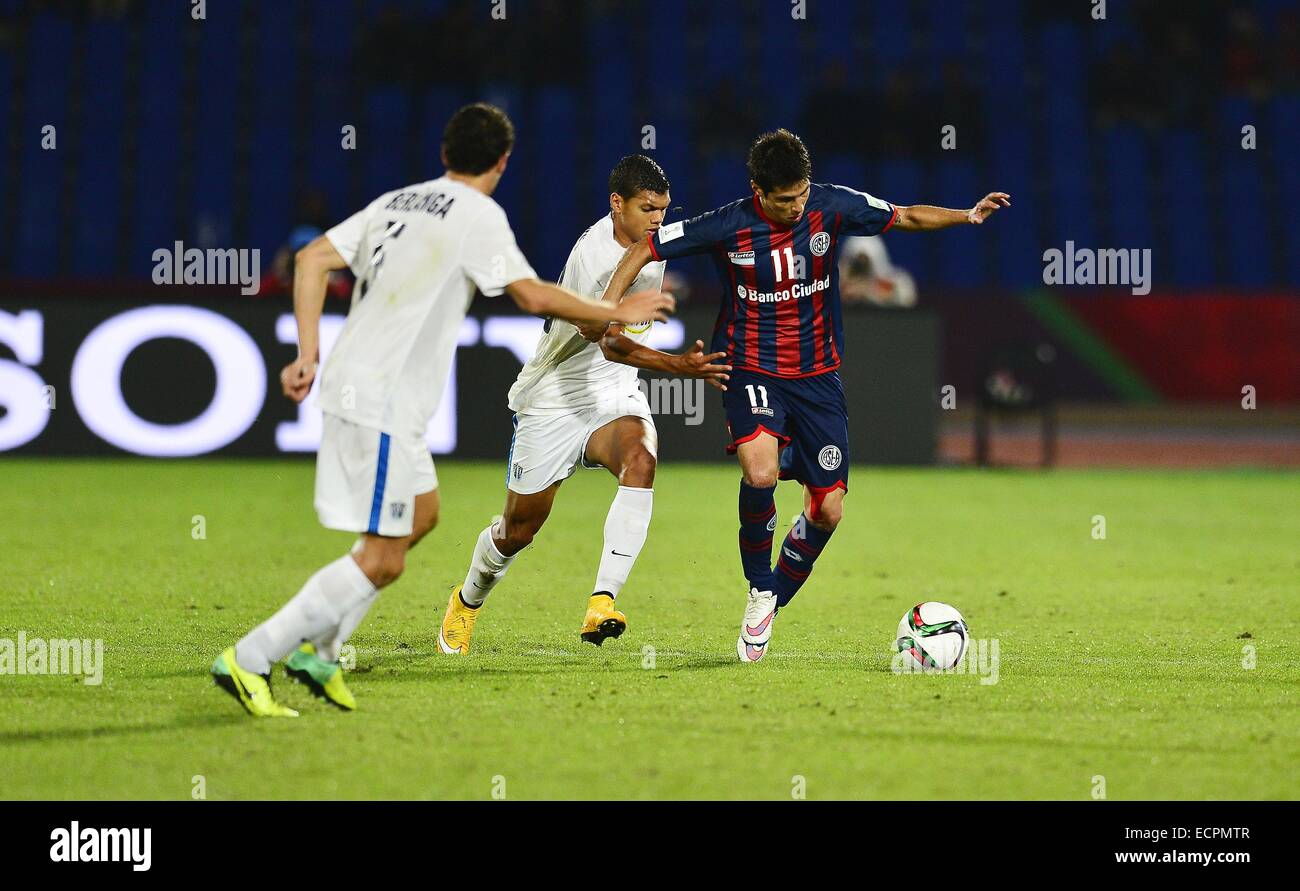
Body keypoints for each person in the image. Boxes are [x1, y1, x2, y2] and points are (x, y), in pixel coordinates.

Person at [209, 103, 674, 716]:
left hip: (368, 388)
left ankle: (319, 654)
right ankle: (252, 657)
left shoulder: (400, 200)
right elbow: (532, 295)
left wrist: (307, 354)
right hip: (379, 397)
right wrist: (620, 311)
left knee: (422, 514)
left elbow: (310, 259)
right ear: (502, 162)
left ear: (444, 153)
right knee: (383, 555)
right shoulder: (478, 215)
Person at [596, 129, 1009, 662]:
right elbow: (644, 246)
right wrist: (610, 307)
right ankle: (758, 590)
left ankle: (774, 598)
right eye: (784, 198)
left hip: (817, 378)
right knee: (761, 472)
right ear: (758, 190)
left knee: (829, 510)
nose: (796, 206)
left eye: (801, 194)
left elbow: (903, 215)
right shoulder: (728, 224)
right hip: (751, 369)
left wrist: (967, 216)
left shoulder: (831, 205)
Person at [439, 155, 729, 654]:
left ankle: (602, 601)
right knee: (518, 530)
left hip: (613, 388)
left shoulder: (649, 243)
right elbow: (610, 341)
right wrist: (678, 367)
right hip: (555, 397)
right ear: (617, 204)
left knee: (640, 459)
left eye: (663, 209)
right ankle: (466, 601)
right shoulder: (598, 261)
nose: (657, 220)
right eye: (647, 209)